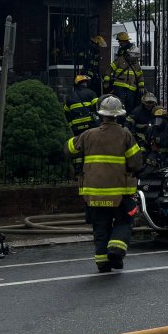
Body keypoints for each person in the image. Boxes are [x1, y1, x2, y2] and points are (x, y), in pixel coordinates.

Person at [65, 95, 143, 273]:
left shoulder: (89, 135)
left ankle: (102, 262)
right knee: (125, 220)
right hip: (120, 193)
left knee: (100, 226)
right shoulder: (125, 135)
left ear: (101, 115)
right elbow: (136, 163)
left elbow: (69, 149)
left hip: (94, 194)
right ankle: (116, 251)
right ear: (118, 115)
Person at [104, 31, 144, 113]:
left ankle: (128, 120)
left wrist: (141, 86)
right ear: (129, 54)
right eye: (134, 56)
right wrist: (106, 81)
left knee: (130, 105)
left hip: (131, 87)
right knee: (120, 104)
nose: (135, 59)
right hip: (119, 85)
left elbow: (140, 76)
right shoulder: (120, 60)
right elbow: (109, 69)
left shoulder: (136, 64)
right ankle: (120, 119)